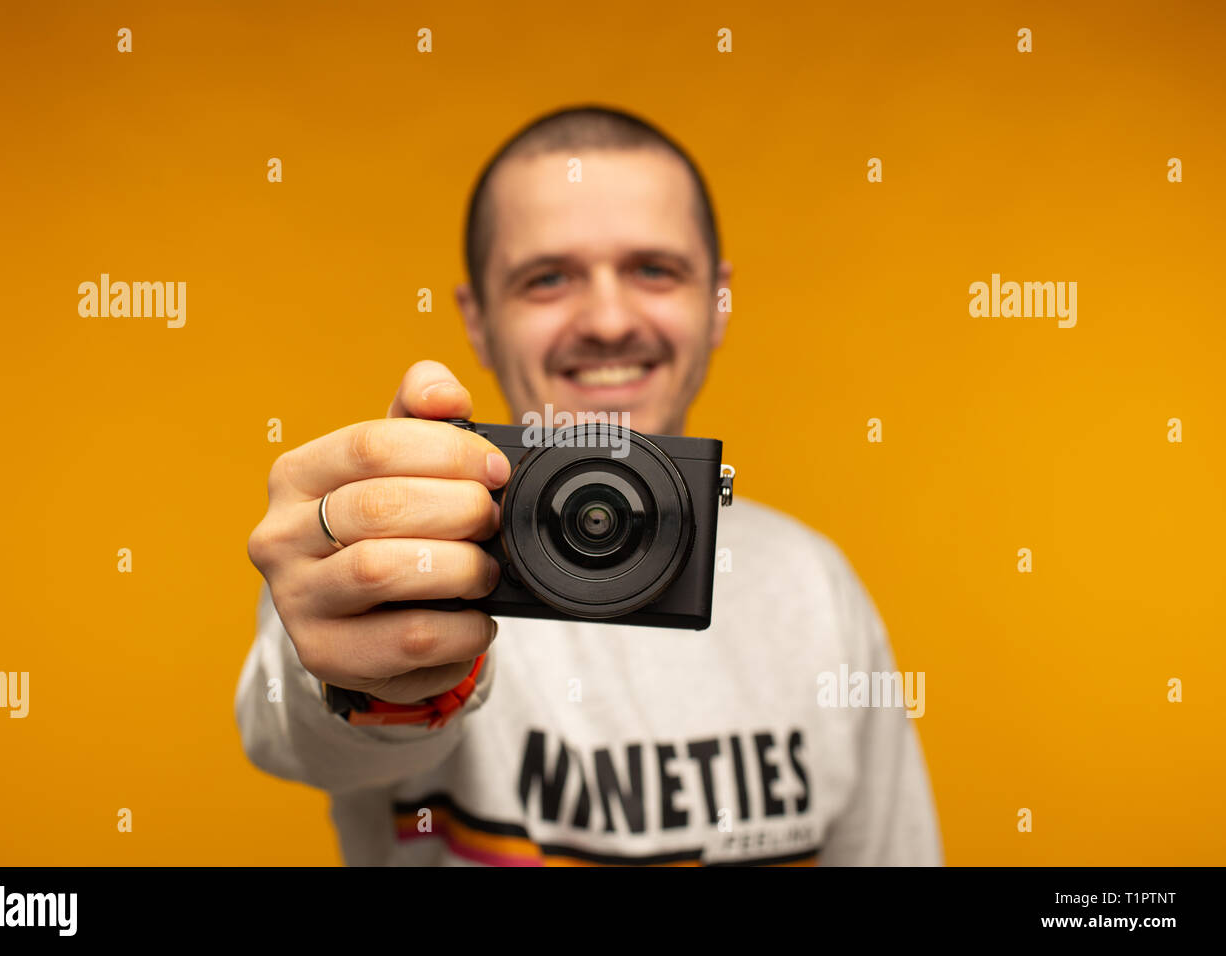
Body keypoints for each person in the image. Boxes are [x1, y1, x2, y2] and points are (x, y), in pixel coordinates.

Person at [236, 105, 943, 866]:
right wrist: (388, 676)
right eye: (548, 278)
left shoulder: (811, 583)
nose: (607, 319)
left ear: (718, 303)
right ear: (477, 321)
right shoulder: (399, 554)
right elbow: (307, 742)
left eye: (653, 270)